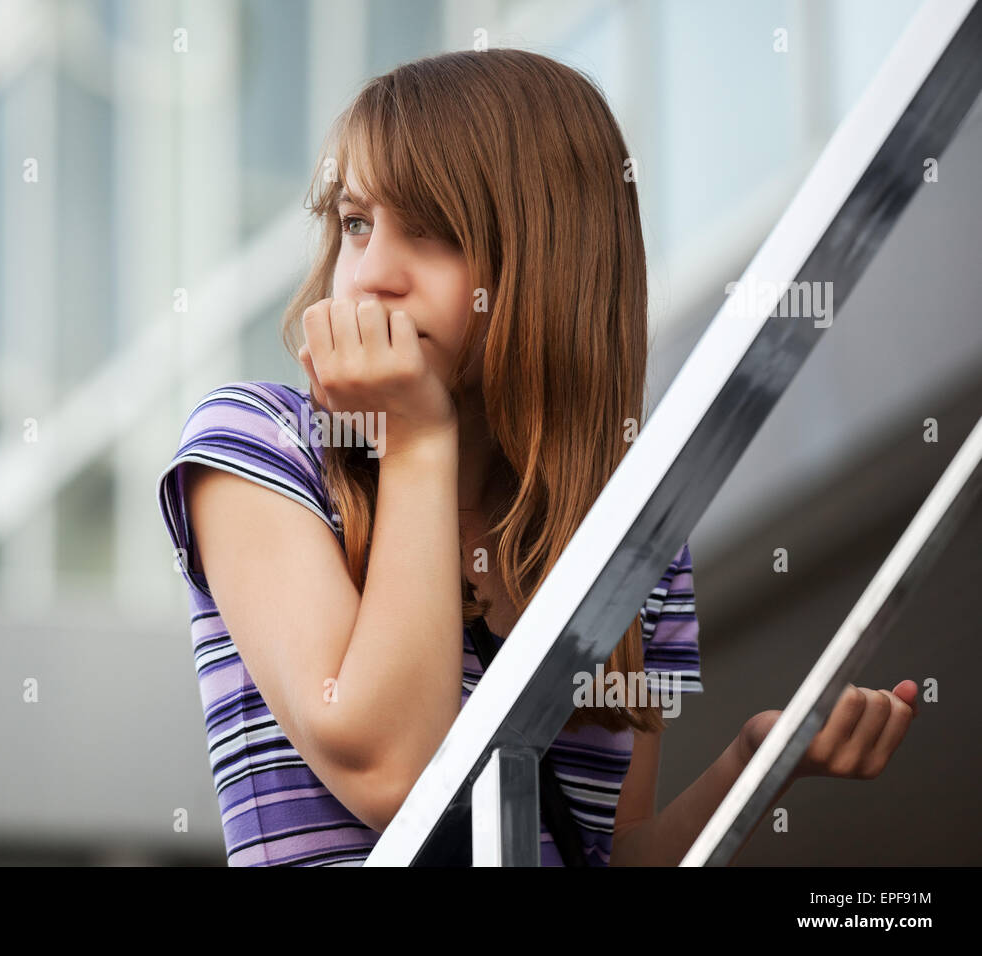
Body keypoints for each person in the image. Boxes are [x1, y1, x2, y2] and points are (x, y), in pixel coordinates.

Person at [156, 49, 918, 866]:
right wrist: (416, 438)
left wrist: (750, 769)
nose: (371, 275)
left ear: (549, 262)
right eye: (355, 223)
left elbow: (605, 854)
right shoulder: (257, 445)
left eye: (433, 231)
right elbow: (391, 775)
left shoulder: (635, 542)